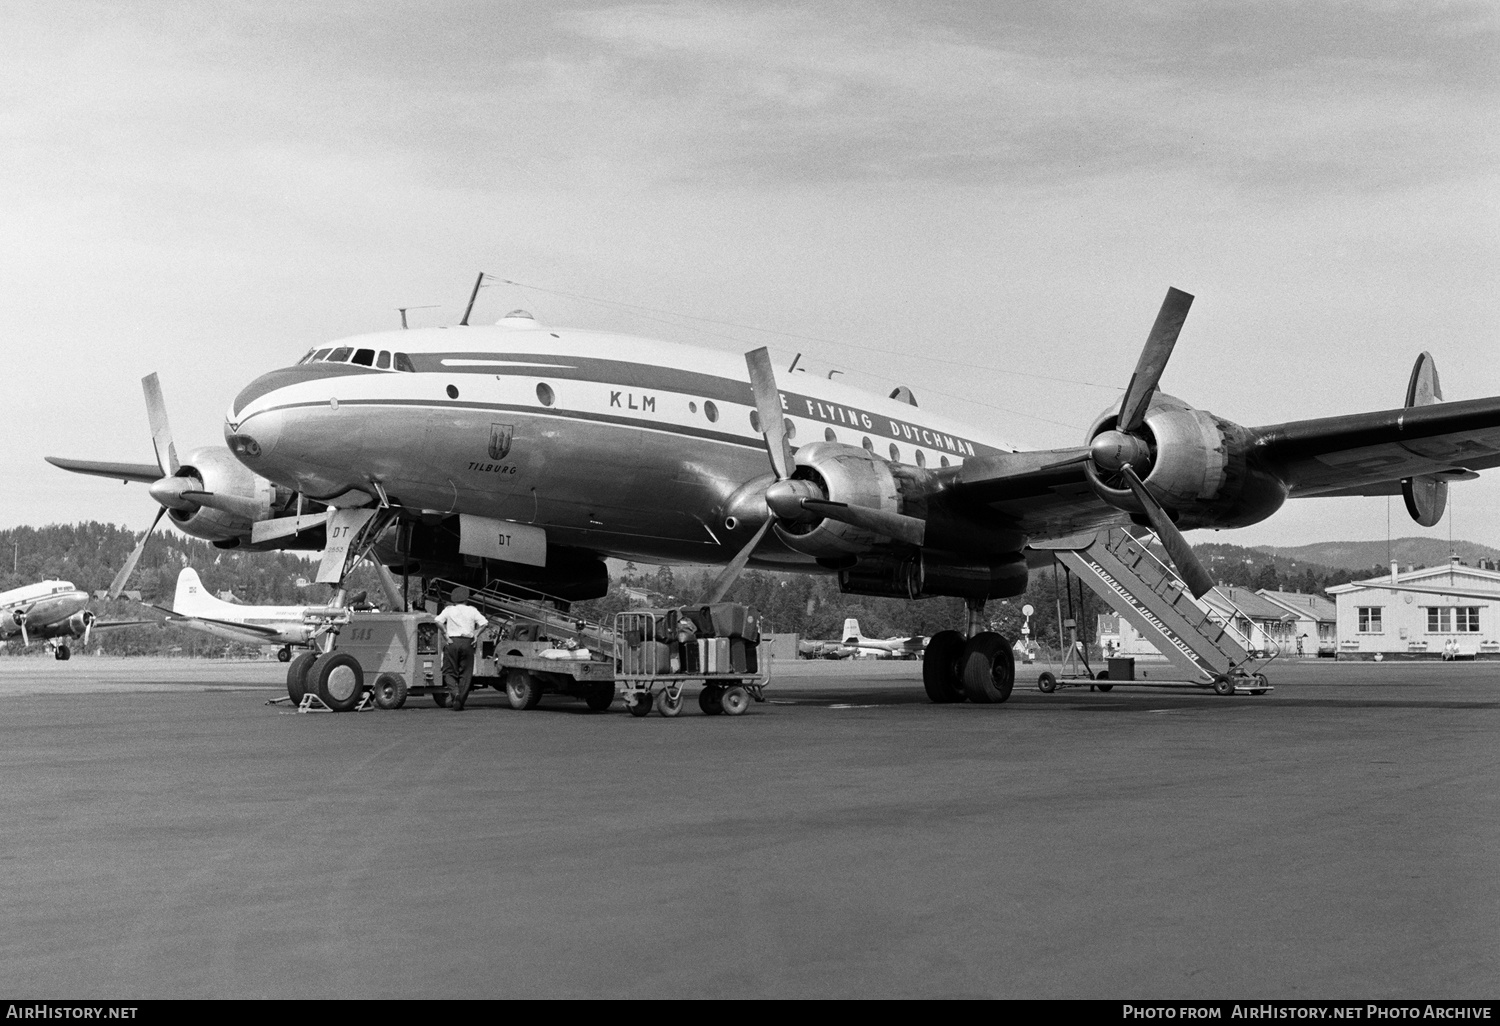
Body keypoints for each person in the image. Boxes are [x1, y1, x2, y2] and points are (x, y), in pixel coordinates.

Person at [435, 586, 488, 711]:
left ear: (454, 599)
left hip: (452, 642)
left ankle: (455, 693)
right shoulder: (472, 610)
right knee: (466, 673)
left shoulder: (449, 610)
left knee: (448, 671)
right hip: (467, 643)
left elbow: (437, 621)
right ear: (466, 599)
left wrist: (445, 635)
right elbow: (484, 623)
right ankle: (460, 701)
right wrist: (476, 634)